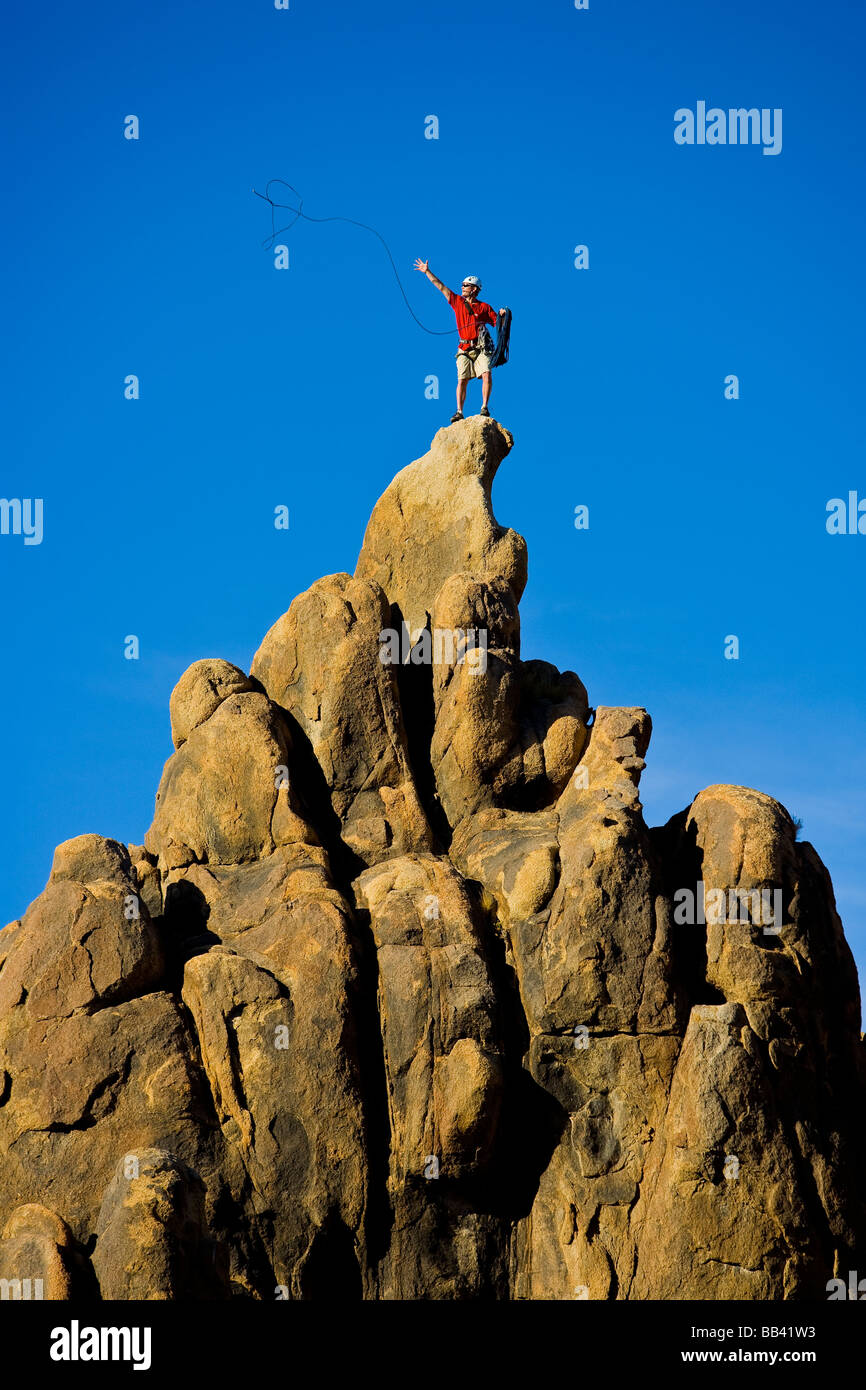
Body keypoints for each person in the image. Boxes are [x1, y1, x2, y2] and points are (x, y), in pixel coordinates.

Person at [414, 260, 505, 423]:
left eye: (466, 285)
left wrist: (502, 315)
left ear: (475, 289)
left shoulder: (484, 307)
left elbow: (497, 324)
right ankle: (459, 411)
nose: (462, 287)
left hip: (480, 348)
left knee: (487, 374)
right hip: (463, 347)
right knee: (462, 379)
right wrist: (427, 271)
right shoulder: (457, 301)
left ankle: (484, 407)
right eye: (462, 284)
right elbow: (440, 286)